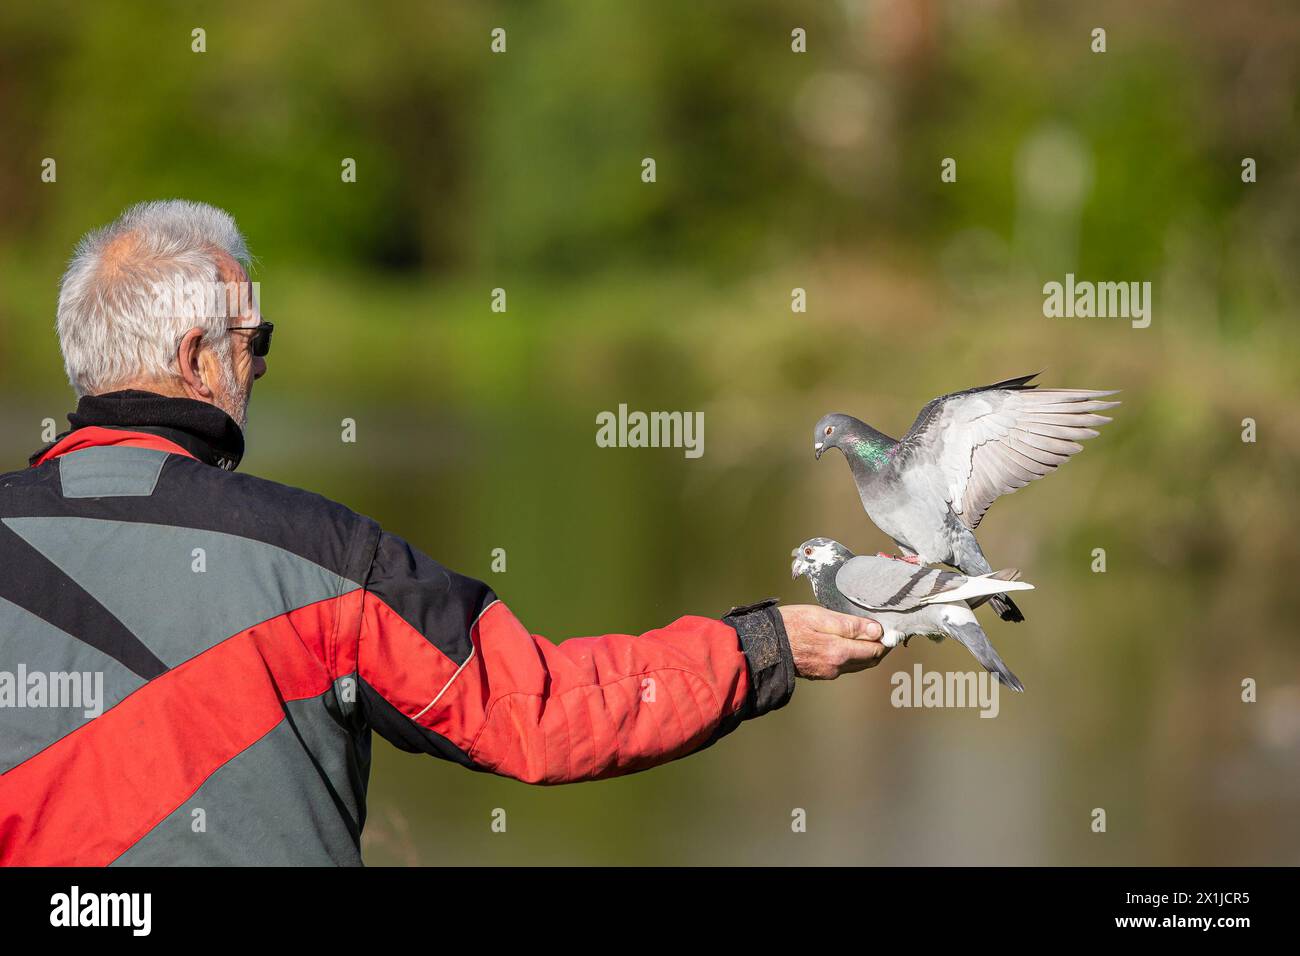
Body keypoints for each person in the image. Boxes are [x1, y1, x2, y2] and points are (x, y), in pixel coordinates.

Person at [0, 201, 888, 866]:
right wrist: (759, 646)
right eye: (254, 337)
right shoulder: (326, 560)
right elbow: (534, 712)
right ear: (198, 358)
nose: (262, 362)